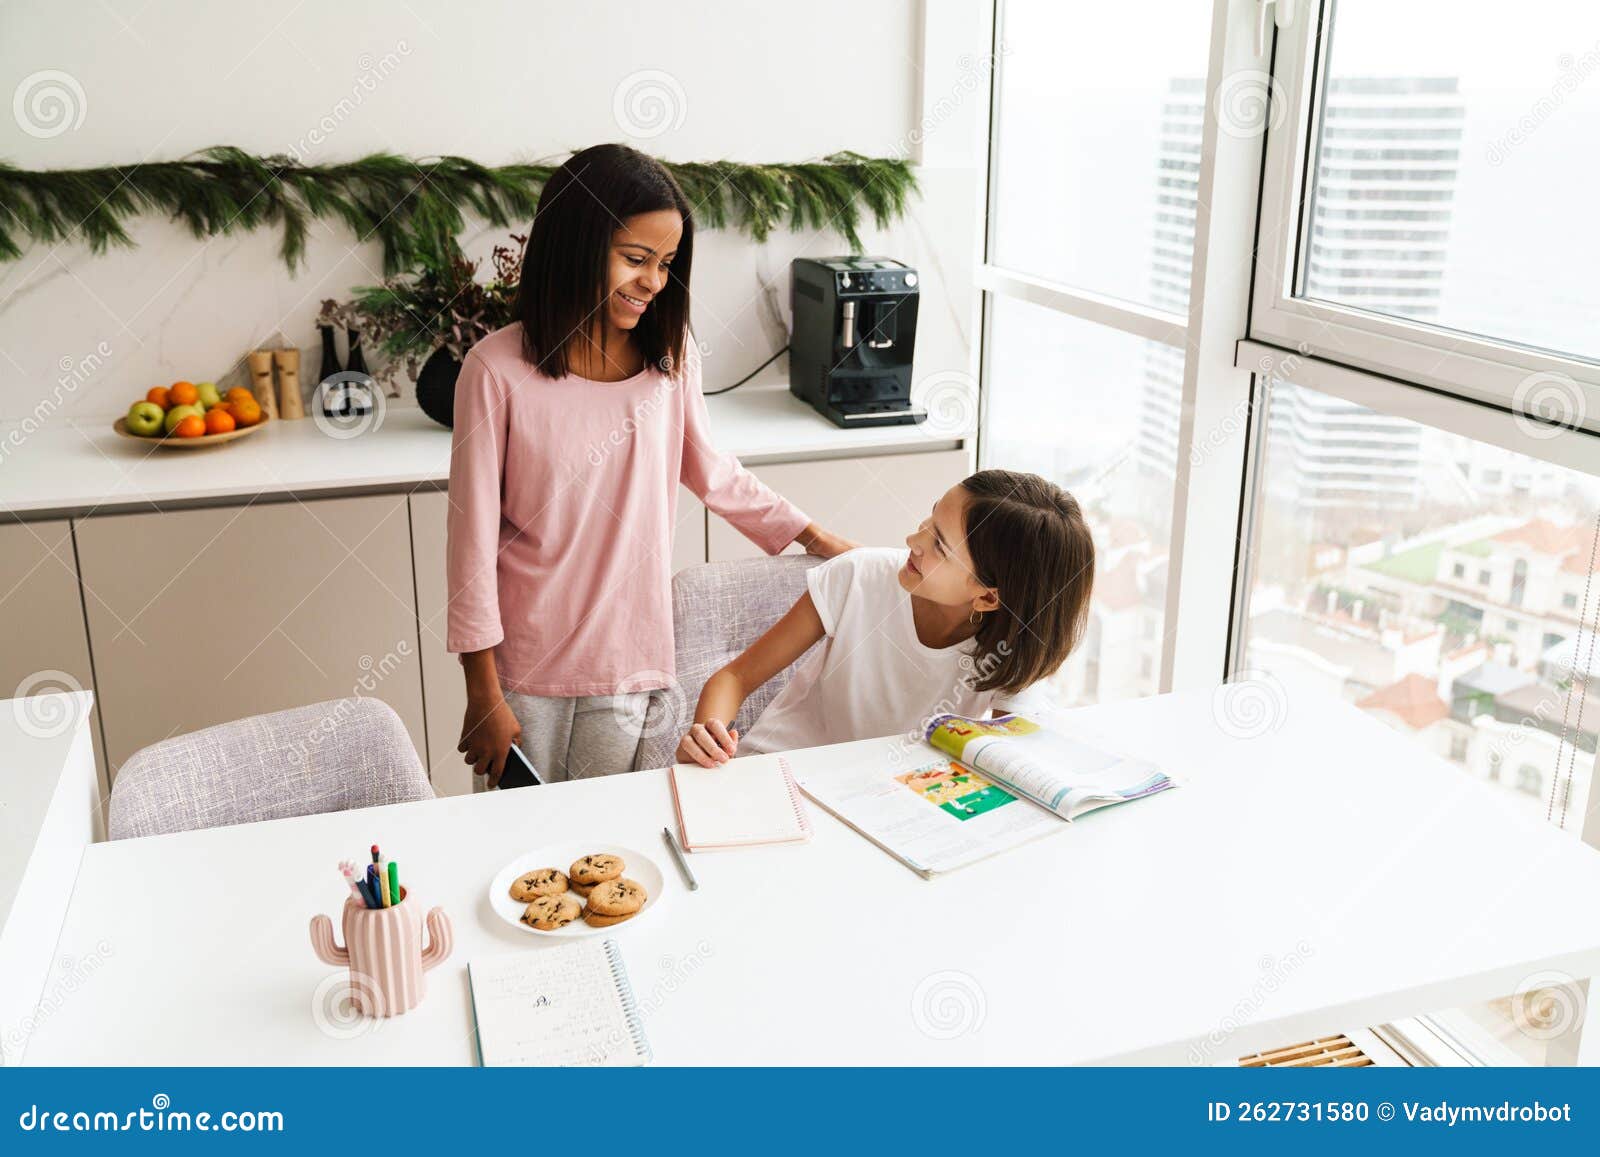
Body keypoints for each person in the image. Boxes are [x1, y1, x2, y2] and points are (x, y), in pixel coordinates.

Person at [448, 143, 851, 785]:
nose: (654, 282)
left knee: (612, 847)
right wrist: (481, 690)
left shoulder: (670, 358)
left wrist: (817, 536)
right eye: (635, 260)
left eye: (665, 264)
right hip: (525, 672)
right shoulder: (494, 371)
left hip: (632, 663)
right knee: (524, 857)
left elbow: (714, 473)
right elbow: (470, 548)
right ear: (576, 246)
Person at [676, 470, 1095, 766]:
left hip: (892, 801)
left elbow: (1017, 753)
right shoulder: (857, 575)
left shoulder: (1013, 647)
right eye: (930, 519)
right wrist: (707, 736)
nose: (913, 540)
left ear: (986, 596)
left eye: (940, 546)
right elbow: (735, 678)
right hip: (785, 772)